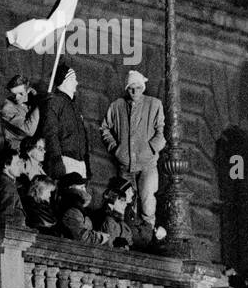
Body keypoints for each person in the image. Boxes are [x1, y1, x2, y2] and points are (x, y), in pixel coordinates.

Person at [99, 70, 165, 231]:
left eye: (138, 88)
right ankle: (131, 236)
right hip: (125, 166)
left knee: (147, 200)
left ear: (143, 87)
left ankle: (148, 234)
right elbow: (105, 128)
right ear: (126, 89)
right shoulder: (117, 106)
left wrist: (151, 148)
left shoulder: (154, 104)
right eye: (131, 88)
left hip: (147, 164)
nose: (135, 91)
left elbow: (161, 130)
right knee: (127, 203)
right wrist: (116, 149)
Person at [39, 64, 92, 180]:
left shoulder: (73, 106)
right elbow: (50, 133)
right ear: (64, 81)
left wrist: (86, 162)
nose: (76, 83)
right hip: (66, 160)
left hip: (79, 162)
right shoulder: (54, 102)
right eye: (73, 79)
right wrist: (56, 159)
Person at [54, 173, 109, 245]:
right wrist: (102, 237)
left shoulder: (77, 207)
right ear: (71, 188)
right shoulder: (72, 210)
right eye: (81, 187)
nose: (85, 190)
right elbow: (83, 237)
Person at [0, 148, 26, 229]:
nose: (20, 167)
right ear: (6, 165)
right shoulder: (8, 186)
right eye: (17, 163)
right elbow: (5, 218)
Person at [0, 75, 40, 147]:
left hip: (34, 147)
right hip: (16, 151)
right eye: (13, 94)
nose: (16, 97)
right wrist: (39, 105)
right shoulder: (7, 109)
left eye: (20, 94)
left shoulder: (33, 97)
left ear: (27, 90)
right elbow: (29, 130)